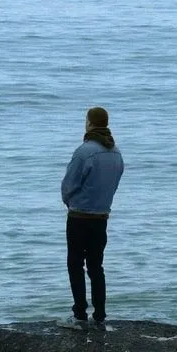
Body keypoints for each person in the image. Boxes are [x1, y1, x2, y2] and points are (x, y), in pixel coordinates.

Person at [57, 106, 125, 330]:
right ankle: (100, 316)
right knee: (96, 266)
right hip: (101, 218)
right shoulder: (115, 153)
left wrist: (70, 202)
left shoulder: (84, 151)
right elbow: (113, 185)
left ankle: (79, 316)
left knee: (75, 264)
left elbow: (68, 185)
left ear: (89, 123)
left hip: (79, 217)